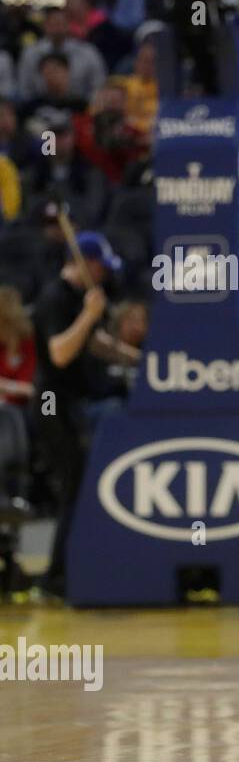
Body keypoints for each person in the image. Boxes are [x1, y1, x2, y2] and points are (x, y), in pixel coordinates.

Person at [31, 232, 138, 597]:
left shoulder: (76, 298)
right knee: (73, 483)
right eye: (101, 268)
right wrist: (88, 315)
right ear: (86, 264)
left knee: (81, 482)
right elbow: (60, 352)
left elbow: (96, 344)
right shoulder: (54, 297)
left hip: (70, 402)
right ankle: (56, 576)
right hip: (50, 401)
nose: (104, 275)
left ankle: (72, 568)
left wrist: (142, 360)